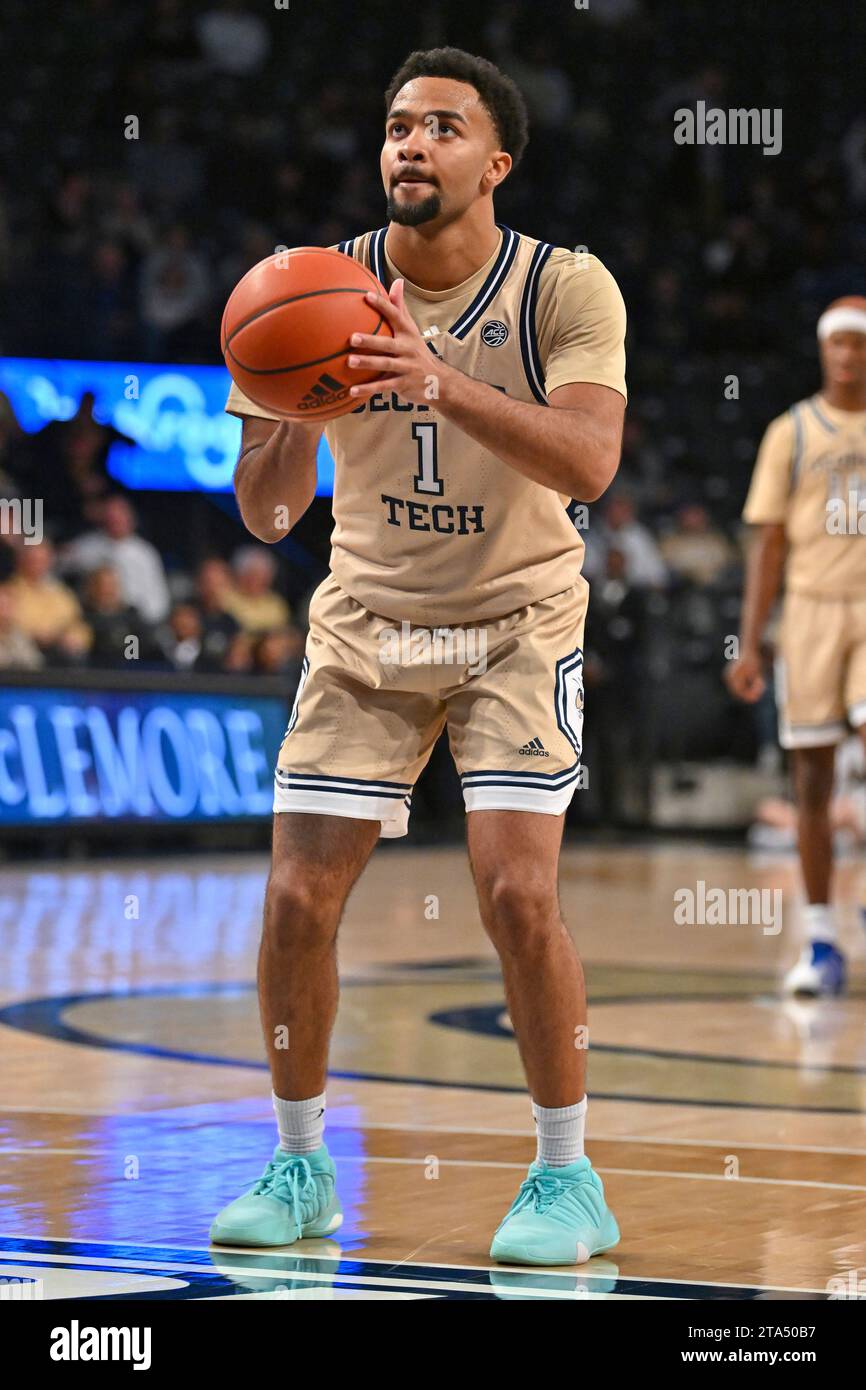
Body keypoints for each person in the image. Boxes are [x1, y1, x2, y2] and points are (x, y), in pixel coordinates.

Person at [211, 47, 627, 1267]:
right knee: (294, 897)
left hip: (514, 619)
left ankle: (566, 1176)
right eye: (396, 126)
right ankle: (297, 1164)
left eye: (440, 127)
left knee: (513, 892)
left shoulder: (565, 285)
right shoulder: (306, 286)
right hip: (369, 620)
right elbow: (266, 517)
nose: (408, 144)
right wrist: (299, 414)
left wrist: (436, 382)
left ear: (494, 162)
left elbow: (590, 466)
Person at [726, 296, 866, 997]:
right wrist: (749, 643)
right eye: (837, 344)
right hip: (810, 612)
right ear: (822, 351)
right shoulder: (792, 431)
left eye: (858, 344)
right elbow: (767, 543)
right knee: (812, 778)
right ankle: (820, 936)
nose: (847, 355)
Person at [61, 494, 171, 624]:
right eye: (110, 518)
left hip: (136, 622)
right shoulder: (86, 546)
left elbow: (158, 600)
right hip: (94, 618)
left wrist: (144, 623)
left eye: (119, 517)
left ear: (131, 519)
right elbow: (58, 565)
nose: (115, 521)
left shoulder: (145, 553)